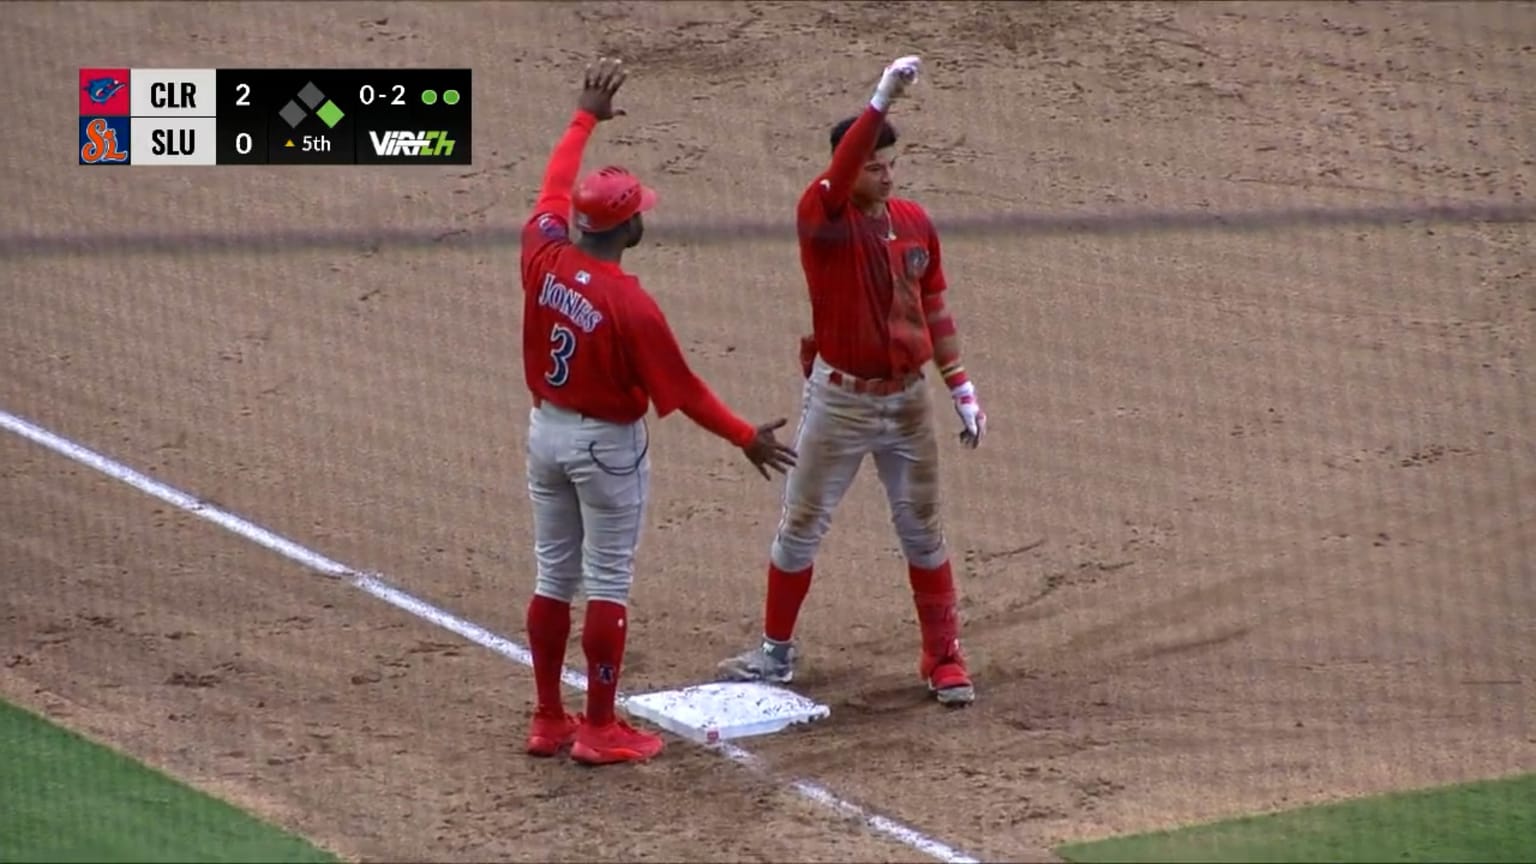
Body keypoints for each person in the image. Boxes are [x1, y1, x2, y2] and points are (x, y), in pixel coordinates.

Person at [520, 57, 798, 765]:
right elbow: (689, 391)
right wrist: (745, 436)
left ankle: (550, 717)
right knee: (608, 582)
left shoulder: (542, 253)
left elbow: (554, 182)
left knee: (554, 576)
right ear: (629, 231)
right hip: (605, 449)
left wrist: (584, 115)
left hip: (544, 435)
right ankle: (600, 730)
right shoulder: (631, 305)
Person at [717, 55, 988, 707]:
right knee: (803, 521)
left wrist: (959, 385)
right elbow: (839, 179)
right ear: (847, 164)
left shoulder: (916, 223)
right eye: (874, 164)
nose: (886, 174)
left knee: (922, 526)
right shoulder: (822, 216)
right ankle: (775, 653)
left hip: (906, 402)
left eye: (891, 164)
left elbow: (936, 308)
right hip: (839, 401)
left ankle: (943, 657)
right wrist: (880, 100)